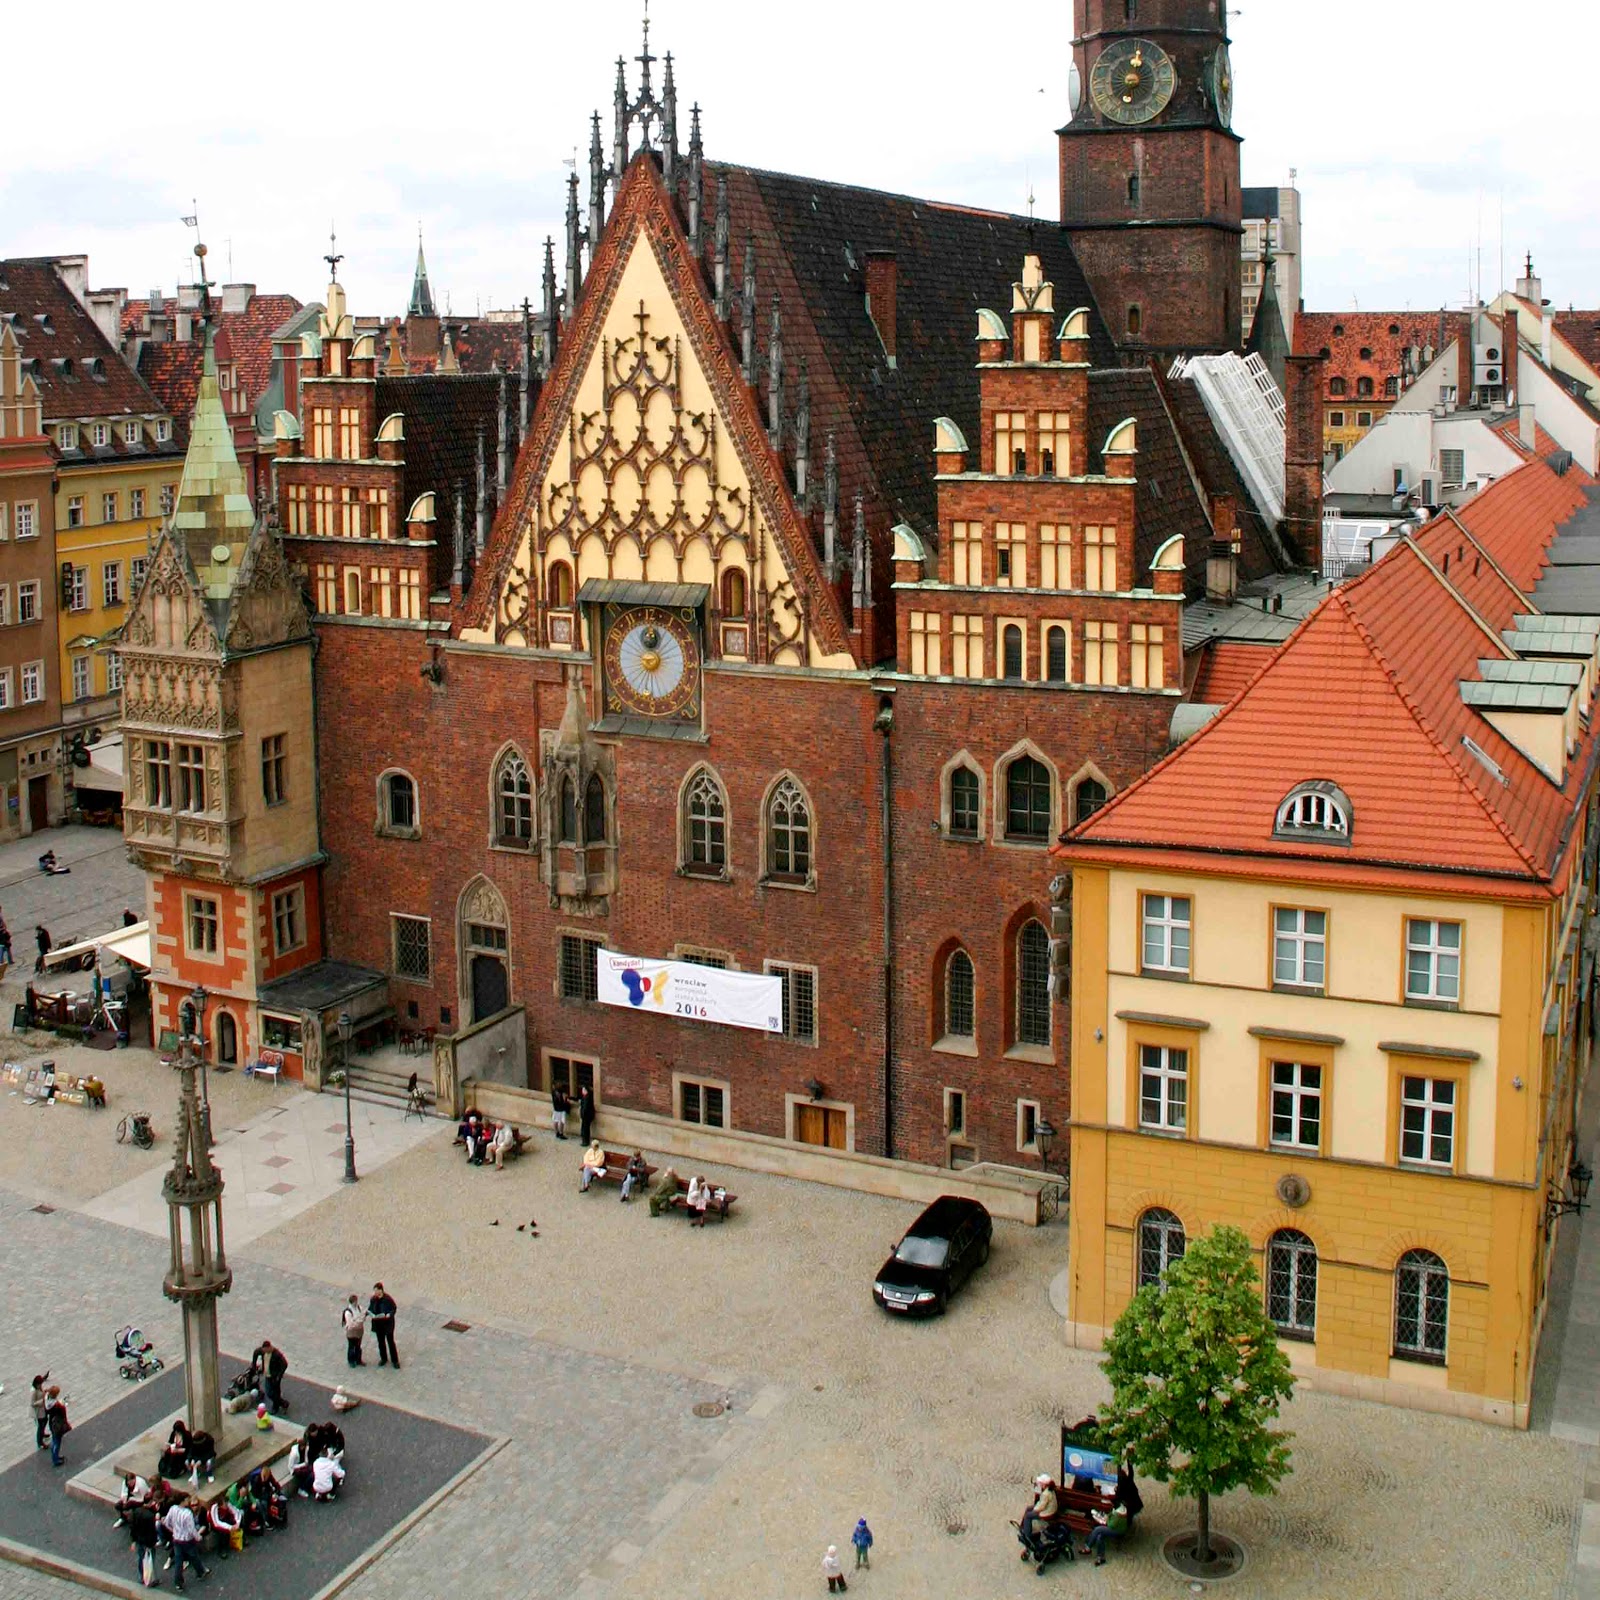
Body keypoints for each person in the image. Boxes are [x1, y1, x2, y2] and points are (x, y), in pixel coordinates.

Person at [162, 1496, 207, 1590]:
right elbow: (191, 1529)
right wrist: (198, 1537)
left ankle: (178, 1583)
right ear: (182, 1501)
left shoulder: (173, 1508)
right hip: (187, 1540)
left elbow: (167, 1522)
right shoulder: (187, 1513)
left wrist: (173, 1530)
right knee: (194, 1556)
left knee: (179, 1561)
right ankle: (200, 1572)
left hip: (176, 1539)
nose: (188, 1501)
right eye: (186, 1499)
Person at [1082, 1502, 1129, 1567]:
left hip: (1117, 1531)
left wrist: (1106, 1520)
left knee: (1097, 1529)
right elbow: (1111, 1514)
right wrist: (1108, 1517)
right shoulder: (1118, 1510)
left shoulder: (1118, 1515)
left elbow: (1111, 1525)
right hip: (1114, 1528)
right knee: (1099, 1537)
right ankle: (1101, 1558)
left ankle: (1088, 1547)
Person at [128, 1497, 161, 1588]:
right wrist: (152, 1543)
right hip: (148, 1542)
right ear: (150, 1502)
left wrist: (133, 1540)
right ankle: (150, 1578)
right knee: (150, 1560)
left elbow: (132, 1526)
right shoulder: (150, 1516)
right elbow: (151, 1531)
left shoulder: (137, 1511)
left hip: (139, 1540)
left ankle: (141, 1577)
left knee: (141, 1558)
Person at [369, 1282, 399, 1368]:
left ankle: (395, 1361)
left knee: (390, 1342)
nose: (375, 1293)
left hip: (387, 1324)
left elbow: (393, 1308)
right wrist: (368, 1313)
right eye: (374, 1291)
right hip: (378, 1324)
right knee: (381, 1342)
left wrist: (390, 1314)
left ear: (381, 1290)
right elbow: (371, 1308)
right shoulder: (373, 1299)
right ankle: (383, 1358)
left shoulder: (388, 1299)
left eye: (376, 1291)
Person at [1021, 1474, 1057, 1546]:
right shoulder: (1050, 1490)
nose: (1038, 1484)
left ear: (1044, 1485)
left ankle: (1027, 1535)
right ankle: (1025, 1526)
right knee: (1029, 1508)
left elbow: (1041, 1507)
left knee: (1028, 1516)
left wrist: (1034, 1510)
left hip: (1047, 1513)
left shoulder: (1046, 1494)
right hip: (1049, 1508)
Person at [209, 1492, 243, 1557]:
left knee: (238, 1521)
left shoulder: (227, 1504)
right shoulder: (214, 1508)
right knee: (222, 1533)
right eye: (225, 1504)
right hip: (216, 1524)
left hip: (224, 1520)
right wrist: (230, 1527)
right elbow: (216, 1523)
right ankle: (221, 1550)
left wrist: (237, 1523)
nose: (227, 1505)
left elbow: (236, 1512)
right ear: (220, 1505)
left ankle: (241, 1539)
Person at [45, 1386, 70, 1467]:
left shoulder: (47, 1401)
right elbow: (63, 1411)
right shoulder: (57, 1405)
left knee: (54, 1439)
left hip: (51, 1422)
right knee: (57, 1441)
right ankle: (55, 1459)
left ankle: (55, 1456)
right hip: (58, 1423)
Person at [260, 1340, 288, 1412]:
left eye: (266, 1350)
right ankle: (283, 1403)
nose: (265, 1351)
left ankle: (276, 1406)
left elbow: (284, 1364)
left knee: (275, 1392)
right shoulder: (264, 1353)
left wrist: (279, 1375)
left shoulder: (277, 1354)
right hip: (267, 1375)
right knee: (269, 1392)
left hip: (274, 1377)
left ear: (269, 1347)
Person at [342, 1294, 366, 1366]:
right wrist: (359, 1321)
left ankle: (358, 1360)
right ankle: (351, 1361)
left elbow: (363, 1315)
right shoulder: (348, 1312)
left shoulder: (359, 1307)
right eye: (355, 1302)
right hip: (351, 1332)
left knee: (358, 1346)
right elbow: (350, 1324)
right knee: (351, 1346)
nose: (356, 1303)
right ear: (352, 1302)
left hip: (359, 1331)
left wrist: (358, 1320)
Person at [29, 1373, 49, 1451]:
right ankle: (40, 1442)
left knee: (45, 1420)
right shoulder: (33, 1391)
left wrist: (44, 1392)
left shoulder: (39, 1388)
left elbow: (40, 1393)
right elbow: (32, 1403)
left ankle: (43, 1434)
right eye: (40, 1384)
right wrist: (42, 1400)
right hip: (38, 1411)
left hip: (42, 1409)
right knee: (41, 1425)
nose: (41, 1385)